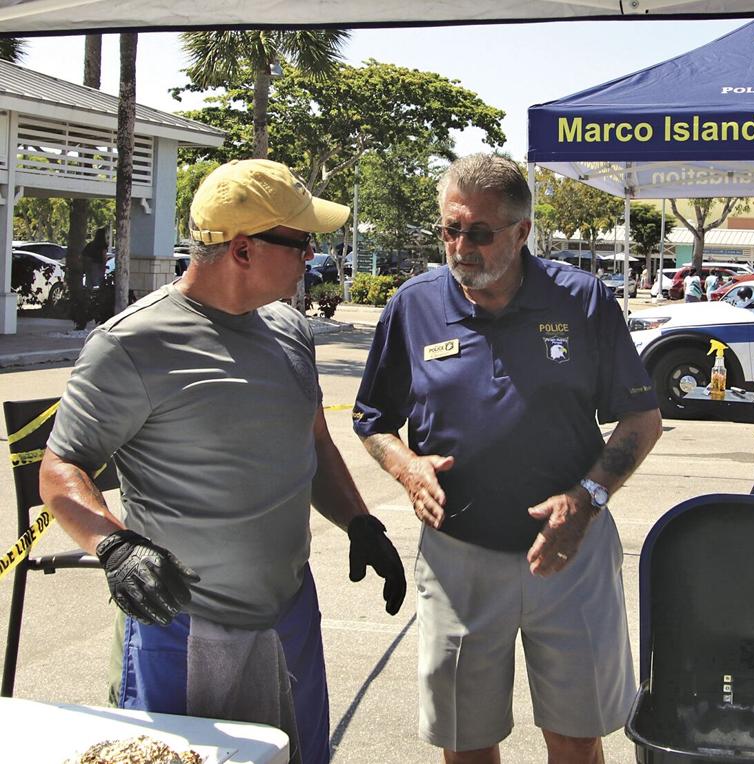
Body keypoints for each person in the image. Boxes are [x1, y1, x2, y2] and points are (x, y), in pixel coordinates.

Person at [39, 159, 406, 764]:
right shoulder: (130, 345)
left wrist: (360, 523)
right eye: (300, 242)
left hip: (288, 615)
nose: (311, 254)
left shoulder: (290, 329)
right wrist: (113, 546)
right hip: (181, 629)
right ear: (242, 250)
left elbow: (313, 442)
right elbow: (61, 468)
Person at [353, 154, 663, 763]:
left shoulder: (581, 300)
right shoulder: (412, 307)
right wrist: (406, 467)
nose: (460, 246)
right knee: (465, 739)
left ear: (522, 233)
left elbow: (641, 420)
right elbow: (372, 421)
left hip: (570, 552)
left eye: (480, 232)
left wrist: (587, 499)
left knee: (575, 736)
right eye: (449, 229)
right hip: (458, 557)